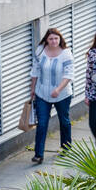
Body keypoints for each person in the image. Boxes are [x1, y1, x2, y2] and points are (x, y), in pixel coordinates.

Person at [29, 27, 73, 165]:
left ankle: (66, 148)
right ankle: (38, 154)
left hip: (62, 94)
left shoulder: (66, 54)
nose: (54, 41)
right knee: (42, 123)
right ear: (46, 40)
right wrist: (32, 89)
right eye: (51, 39)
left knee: (64, 120)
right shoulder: (40, 51)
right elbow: (35, 70)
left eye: (56, 38)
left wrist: (58, 89)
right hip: (42, 93)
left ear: (60, 39)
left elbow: (69, 75)